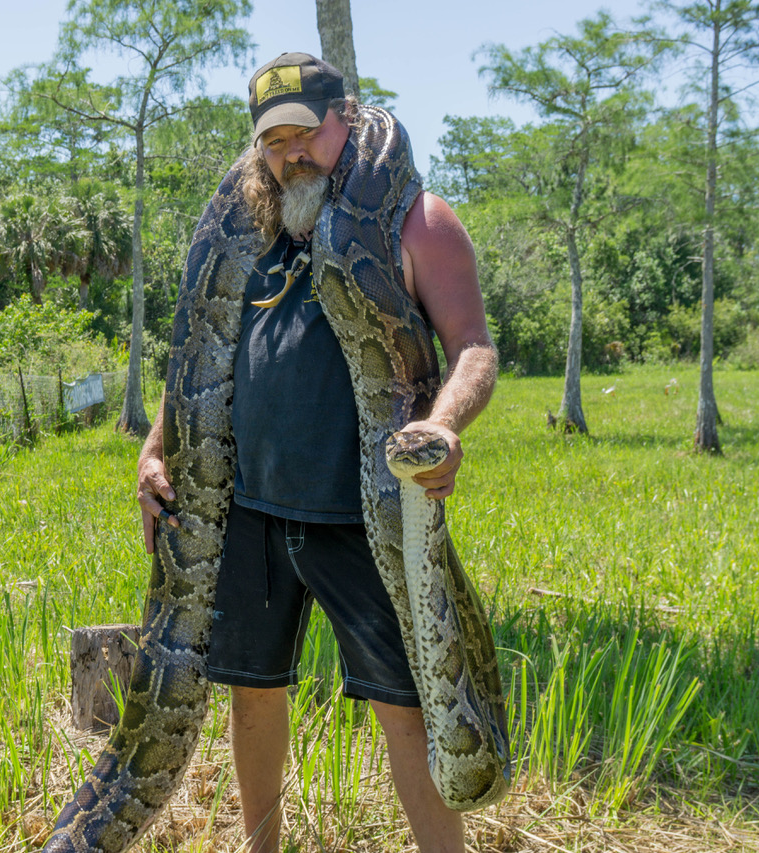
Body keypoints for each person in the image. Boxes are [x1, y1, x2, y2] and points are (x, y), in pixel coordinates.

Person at [135, 52, 497, 853]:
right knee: (253, 694)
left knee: (406, 705)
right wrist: (157, 447)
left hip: (363, 510)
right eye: (274, 140)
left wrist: (445, 425)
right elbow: (200, 350)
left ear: (347, 120)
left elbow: (474, 347)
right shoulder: (248, 226)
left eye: (307, 133)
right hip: (250, 507)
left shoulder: (417, 219)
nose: (292, 153)